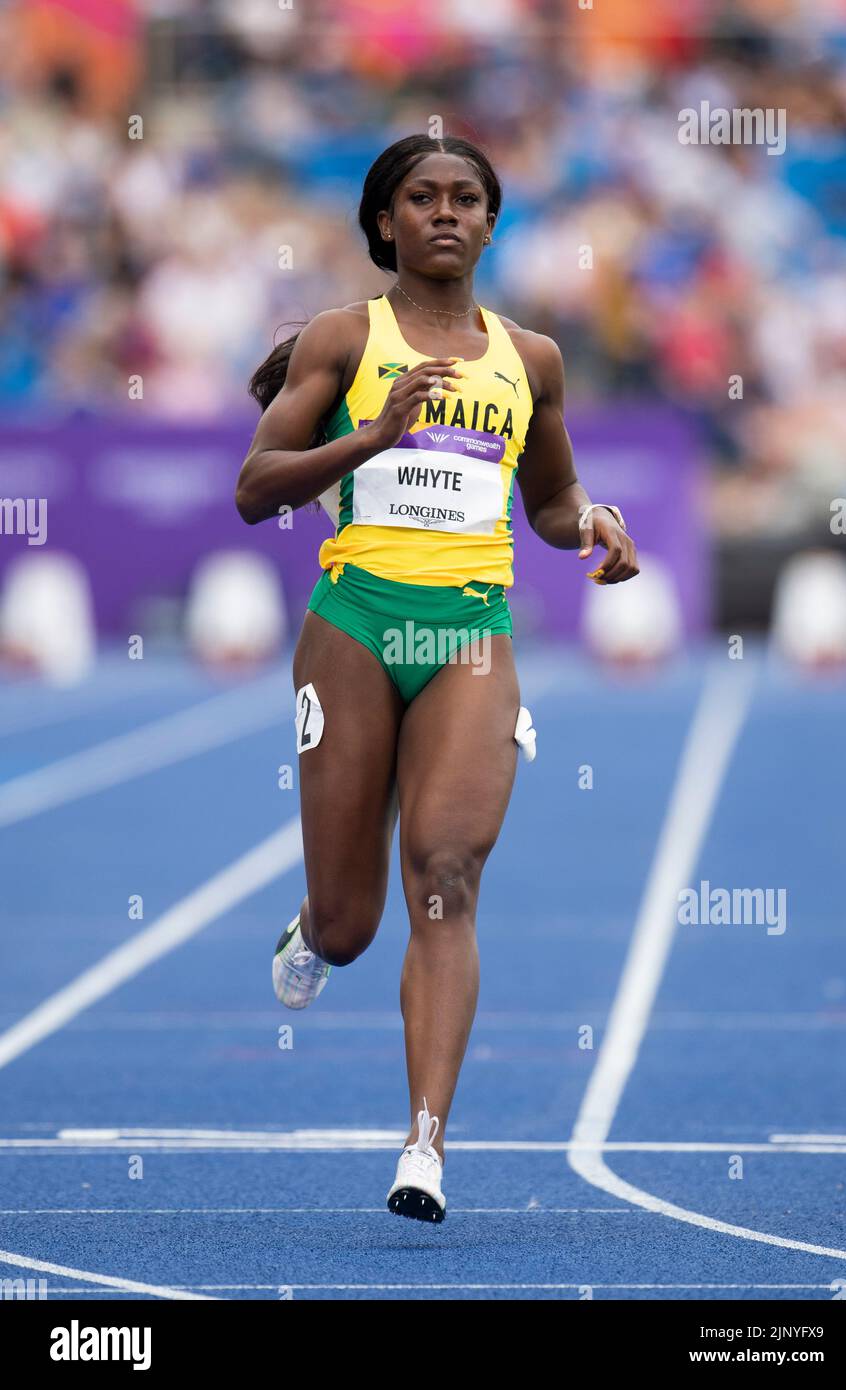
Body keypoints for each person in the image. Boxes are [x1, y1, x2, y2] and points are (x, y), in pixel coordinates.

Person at [237, 133, 639, 1223]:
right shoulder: (341, 338)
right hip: (357, 624)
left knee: (446, 874)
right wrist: (368, 437)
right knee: (354, 922)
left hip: (469, 631)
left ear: (492, 224)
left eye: (468, 198)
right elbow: (255, 488)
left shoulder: (531, 359)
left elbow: (549, 502)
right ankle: (313, 931)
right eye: (423, 198)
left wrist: (590, 522)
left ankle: (425, 1145)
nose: (446, 214)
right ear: (385, 223)